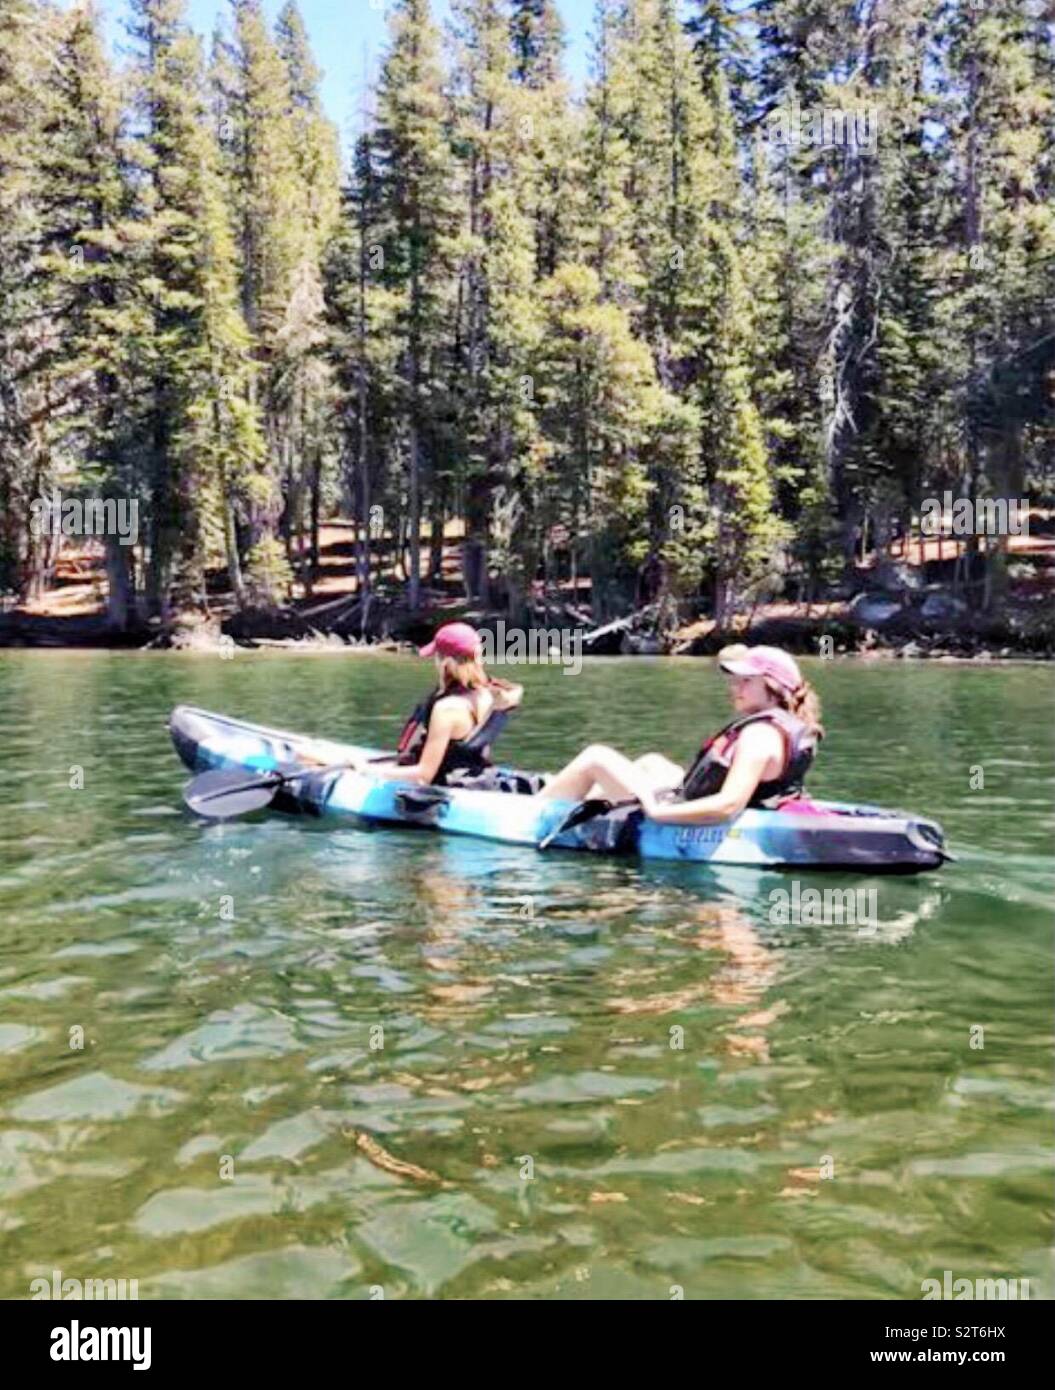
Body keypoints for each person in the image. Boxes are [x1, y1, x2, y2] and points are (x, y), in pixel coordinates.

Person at [537, 644, 823, 824]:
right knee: (652, 763)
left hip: (685, 810)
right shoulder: (780, 726)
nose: (735, 687)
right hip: (690, 796)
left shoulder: (759, 736)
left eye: (746, 681)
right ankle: (576, 799)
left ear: (774, 687)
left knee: (596, 757)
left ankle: (533, 814)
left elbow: (729, 805)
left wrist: (656, 812)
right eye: (735, 680)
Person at [342, 622, 522, 786]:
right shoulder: (488, 695)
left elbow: (424, 775)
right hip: (472, 775)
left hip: (445, 785)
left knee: (346, 762)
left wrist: (366, 770)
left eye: (436, 656)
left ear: (447, 662)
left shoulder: (447, 709)